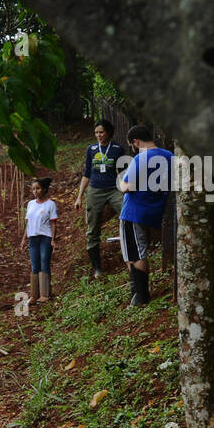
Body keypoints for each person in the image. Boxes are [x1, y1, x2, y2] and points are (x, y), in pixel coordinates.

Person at [117, 125, 173, 307]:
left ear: (136, 142)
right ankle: (139, 294)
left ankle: (140, 295)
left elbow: (128, 186)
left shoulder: (140, 158)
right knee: (139, 249)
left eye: (132, 145)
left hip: (134, 210)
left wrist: (120, 182)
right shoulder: (170, 156)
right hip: (155, 208)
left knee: (135, 252)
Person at [74, 119, 126, 279]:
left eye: (101, 132)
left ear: (108, 132)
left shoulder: (117, 149)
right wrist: (79, 196)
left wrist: (126, 191)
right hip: (95, 190)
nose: (99, 135)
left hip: (113, 189)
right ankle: (97, 268)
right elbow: (87, 173)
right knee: (92, 228)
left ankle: (129, 252)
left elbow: (123, 172)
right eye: (96, 132)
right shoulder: (91, 149)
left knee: (127, 214)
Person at [19, 177, 59, 304]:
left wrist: (53, 239)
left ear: (44, 189)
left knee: (44, 263)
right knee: (34, 265)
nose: (35, 191)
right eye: (33, 189)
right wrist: (24, 238)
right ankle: (34, 295)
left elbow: (53, 223)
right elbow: (28, 223)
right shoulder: (30, 204)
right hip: (33, 238)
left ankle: (45, 294)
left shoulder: (50, 204)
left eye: (38, 188)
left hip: (45, 237)